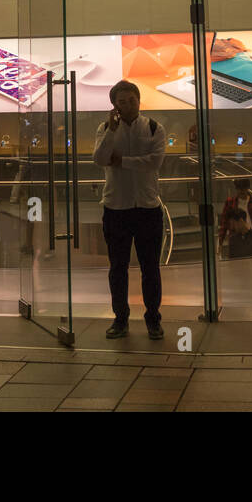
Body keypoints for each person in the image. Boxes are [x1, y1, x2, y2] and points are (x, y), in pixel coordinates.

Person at [93, 80, 167, 340]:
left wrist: (121, 161)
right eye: (121, 102)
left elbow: (154, 162)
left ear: (139, 100)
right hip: (116, 208)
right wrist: (112, 132)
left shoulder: (154, 128)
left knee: (151, 268)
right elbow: (100, 159)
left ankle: (153, 319)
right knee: (118, 268)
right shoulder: (105, 129)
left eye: (130, 100)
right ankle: (120, 318)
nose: (126, 106)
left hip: (148, 208)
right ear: (114, 106)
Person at [219, 178, 252, 257]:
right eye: (239, 188)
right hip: (236, 237)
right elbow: (224, 223)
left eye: (243, 188)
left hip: (251, 236)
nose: (241, 191)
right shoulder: (230, 202)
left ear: (247, 189)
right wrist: (220, 241)